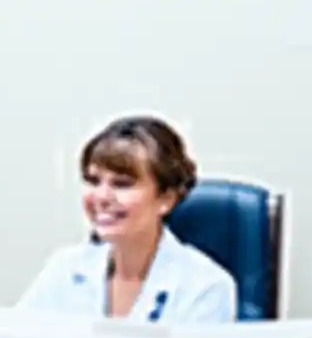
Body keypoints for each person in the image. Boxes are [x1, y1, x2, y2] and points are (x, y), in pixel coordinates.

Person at [17, 116, 237, 323]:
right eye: (93, 181)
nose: (102, 197)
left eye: (122, 184)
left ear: (166, 199)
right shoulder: (65, 269)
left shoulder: (205, 286)